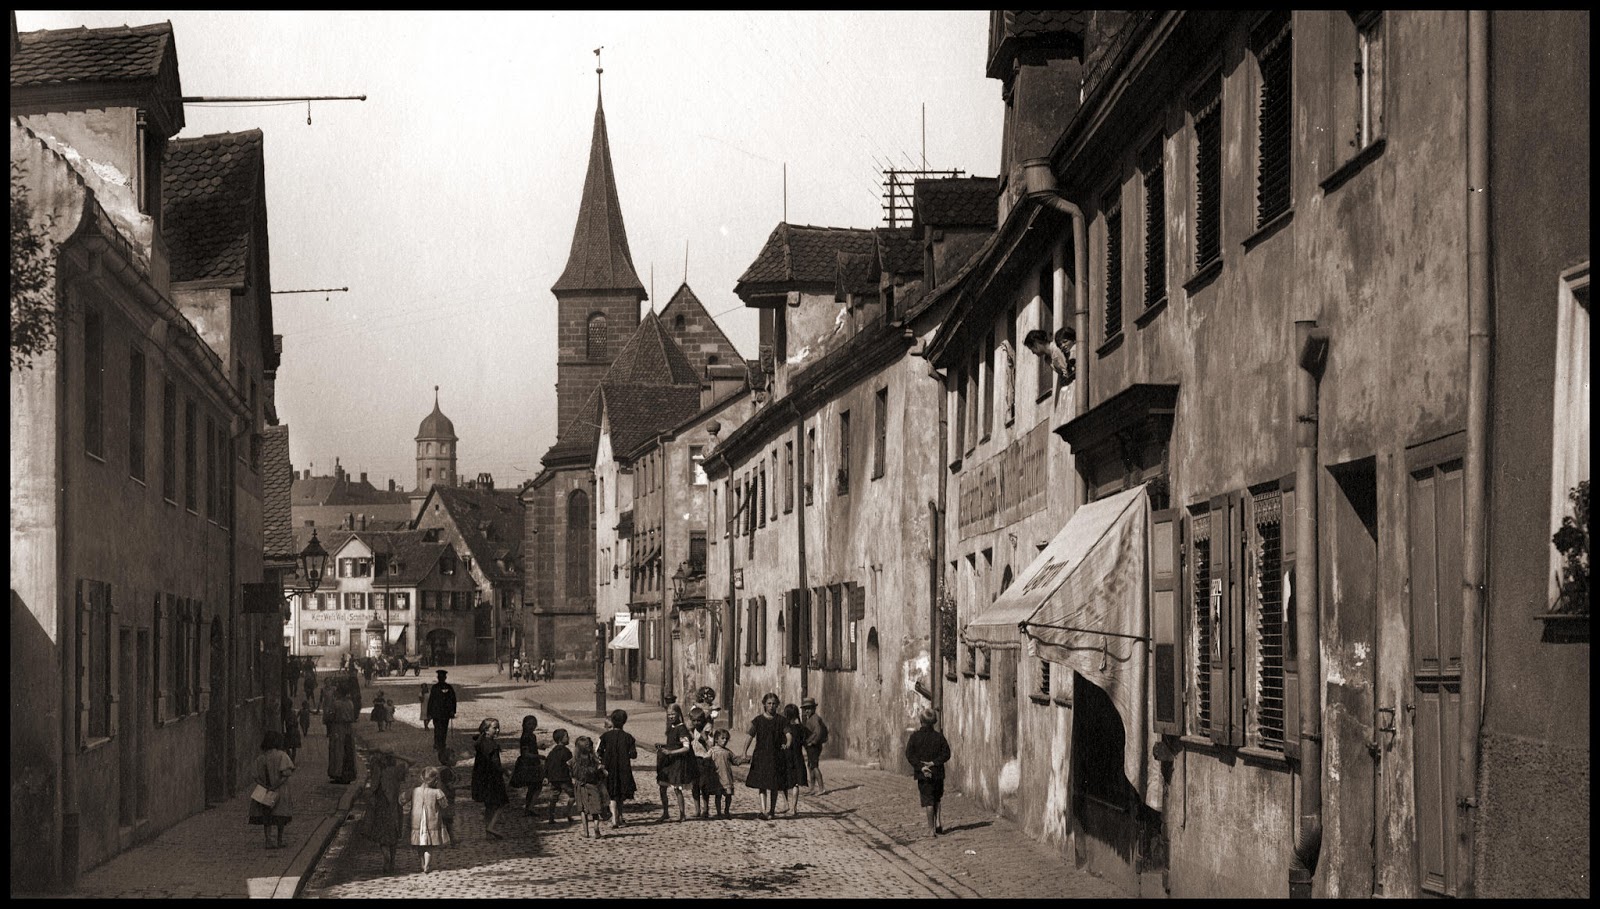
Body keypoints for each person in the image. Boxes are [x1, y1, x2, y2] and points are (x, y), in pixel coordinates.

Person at [738, 692, 788, 820]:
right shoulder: (758, 721)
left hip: (776, 756)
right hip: (761, 755)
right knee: (762, 784)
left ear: (777, 705)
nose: (771, 706)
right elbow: (750, 736)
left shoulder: (781, 720)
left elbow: (788, 734)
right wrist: (744, 751)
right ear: (764, 705)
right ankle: (763, 810)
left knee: (774, 785)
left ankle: (772, 810)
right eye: (769, 704)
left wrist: (787, 744)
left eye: (774, 704)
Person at [905, 707, 952, 837]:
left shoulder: (915, 737)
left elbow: (909, 754)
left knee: (928, 801)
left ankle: (931, 829)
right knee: (937, 798)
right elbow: (946, 754)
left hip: (923, 775)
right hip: (937, 773)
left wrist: (921, 766)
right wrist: (934, 763)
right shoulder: (939, 737)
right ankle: (938, 822)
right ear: (934, 722)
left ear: (921, 721)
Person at [361, 748, 409, 872]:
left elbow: (372, 788)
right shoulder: (396, 771)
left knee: (382, 834)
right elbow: (412, 762)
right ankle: (392, 860)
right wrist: (399, 755)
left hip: (381, 806)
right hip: (394, 807)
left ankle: (386, 857)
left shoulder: (378, 771)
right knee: (394, 834)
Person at [248, 730, 295, 849]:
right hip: (280, 790)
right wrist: (275, 785)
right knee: (280, 816)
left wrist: (265, 786)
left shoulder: (261, 758)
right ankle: (279, 840)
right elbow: (286, 774)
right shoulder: (282, 756)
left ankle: (268, 840)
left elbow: (256, 776)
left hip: (266, 790)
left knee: (267, 815)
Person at [597, 709, 637, 828]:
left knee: (612, 795)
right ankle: (619, 817)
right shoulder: (629, 738)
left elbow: (598, 752)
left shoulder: (605, 736)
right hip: (624, 770)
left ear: (612, 722)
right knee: (620, 795)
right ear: (624, 722)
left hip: (609, 770)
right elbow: (633, 754)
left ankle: (614, 818)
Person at [409, 765, 452, 873]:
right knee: (429, 846)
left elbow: (402, 798)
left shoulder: (415, 791)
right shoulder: (437, 792)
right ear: (436, 780)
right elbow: (444, 805)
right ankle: (427, 865)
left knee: (419, 844)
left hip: (417, 822)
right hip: (431, 821)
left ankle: (422, 863)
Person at [471, 717, 509, 839]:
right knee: (501, 803)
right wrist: (505, 771)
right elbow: (495, 763)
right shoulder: (491, 745)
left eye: (498, 727)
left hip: (482, 777)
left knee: (489, 805)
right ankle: (491, 826)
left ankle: (488, 833)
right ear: (486, 730)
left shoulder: (481, 741)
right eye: (494, 728)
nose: (497, 730)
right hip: (492, 778)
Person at [656, 703, 693, 822]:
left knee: (677, 789)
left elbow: (686, 747)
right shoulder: (671, 727)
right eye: (669, 715)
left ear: (678, 714)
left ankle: (682, 814)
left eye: (673, 714)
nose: (671, 716)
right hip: (667, 762)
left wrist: (671, 752)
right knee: (662, 787)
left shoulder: (681, 728)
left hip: (676, 762)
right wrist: (663, 746)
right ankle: (665, 812)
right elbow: (672, 744)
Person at [570, 735, 609, 840]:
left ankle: (586, 831)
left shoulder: (574, 760)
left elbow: (570, 772)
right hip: (593, 786)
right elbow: (605, 773)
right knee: (595, 810)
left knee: (583, 810)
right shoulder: (594, 760)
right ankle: (596, 829)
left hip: (580, 787)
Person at [688, 705, 721, 819]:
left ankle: (705, 809)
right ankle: (697, 809)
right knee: (695, 785)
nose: (696, 723)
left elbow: (711, 744)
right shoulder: (692, 730)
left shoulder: (707, 729)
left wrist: (705, 738)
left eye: (698, 720)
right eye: (694, 721)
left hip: (704, 759)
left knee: (704, 785)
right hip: (693, 760)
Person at [509, 714, 545, 817]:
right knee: (537, 786)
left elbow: (530, 747)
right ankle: (530, 807)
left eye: (534, 724)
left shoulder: (531, 736)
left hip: (532, 764)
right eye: (529, 724)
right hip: (528, 765)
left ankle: (529, 808)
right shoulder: (526, 737)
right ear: (524, 725)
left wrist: (538, 746)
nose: (532, 726)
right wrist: (539, 756)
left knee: (533, 786)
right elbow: (525, 753)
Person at [781, 703, 808, 817]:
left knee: (783, 781)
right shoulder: (801, 728)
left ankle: (786, 803)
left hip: (786, 757)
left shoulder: (785, 728)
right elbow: (805, 741)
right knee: (795, 783)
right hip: (798, 757)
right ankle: (794, 808)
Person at [327, 684, 358, 784]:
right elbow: (353, 716)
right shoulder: (350, 703)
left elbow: (330, 716)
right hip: (348, 728)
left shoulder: (336, 703)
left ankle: (338, 773)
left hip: (338, 728)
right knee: (348, 750)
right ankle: (348, 774)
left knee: (338, 751)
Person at [427, 670, 458, 765]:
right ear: (438, 678)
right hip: (437, 713)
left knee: (443, 729)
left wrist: (453, 711)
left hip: (445, 713)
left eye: (442, 677)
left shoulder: (449, 688)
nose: (441, 678)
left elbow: (453, 700)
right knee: (437, 728)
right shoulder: (434, 688)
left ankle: (442, 743)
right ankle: (437, 743)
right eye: (439, 677)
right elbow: (431, 700)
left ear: (445, 678)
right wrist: (429, 712)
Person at [800, 696, 829, 796]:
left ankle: (821, 788)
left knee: (815, 766)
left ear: (814, 708)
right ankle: (812, 788)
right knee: (810, 766)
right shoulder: (810, 719)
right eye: (805, 709)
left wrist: (813, 742)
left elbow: (818, 731)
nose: (807, 710)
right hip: (810, 746)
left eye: (809, 708)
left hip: (814, 746)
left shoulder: (815, 719)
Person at [545, 728, 575, 824]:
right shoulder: (566, 752)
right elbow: (571, 765)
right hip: (564, 778)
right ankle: (567, 812)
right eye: (566, 736)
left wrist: (547, 776)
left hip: (553, 779)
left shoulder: (552, 752)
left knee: (553, 798)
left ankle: (551, 817)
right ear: (560, 739)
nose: (568, 738)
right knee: (573, 795)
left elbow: (547, 765)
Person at [708, 729, 736, 819]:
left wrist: (744, 759)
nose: (725, 740)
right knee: (718, 795)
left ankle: (726, 810)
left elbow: (735, 760)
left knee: (728, 794)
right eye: (722, 738)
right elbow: (707, 760)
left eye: (726, 739)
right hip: (717, 777)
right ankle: (719, 812)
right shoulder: (712, 751)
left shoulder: (728, 752)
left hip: (727, 777)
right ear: (716, 739)